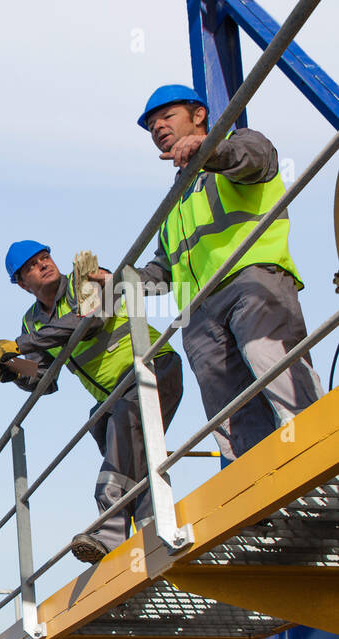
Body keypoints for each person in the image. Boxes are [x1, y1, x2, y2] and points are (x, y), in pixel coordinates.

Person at [135, 84, 322, 460]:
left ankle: (318, 453)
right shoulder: (174, 203)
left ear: (199, 114)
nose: (158, 128)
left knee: (272, 364)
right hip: (198, 314)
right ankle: (257, 484)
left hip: (249, 280)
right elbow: (163, 271)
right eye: (152, 125)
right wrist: (116, 284)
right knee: (227, 407)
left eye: (166, 117)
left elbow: (253, 158)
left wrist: (211, 153)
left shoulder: (238, 144)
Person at [0, 241, 183, 563]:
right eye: (33, 265)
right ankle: (153, 525)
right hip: (113, 397)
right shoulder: (33, 322)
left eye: (45, 257)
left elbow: (86, 322)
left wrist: (21, 344)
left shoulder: (84, 280)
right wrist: (14, 372)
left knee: (123, 432)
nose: (44, 265)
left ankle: (109, 533)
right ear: (22, 283)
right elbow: (43, 379)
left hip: (151, 368)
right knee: (126, 447)